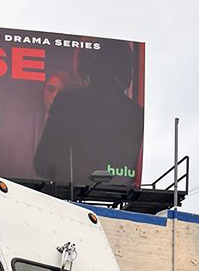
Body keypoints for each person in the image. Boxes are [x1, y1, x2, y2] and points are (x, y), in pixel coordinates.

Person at [34, 40, 143, 186]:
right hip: (117, 189)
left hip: (70, 191)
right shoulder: (137, 114)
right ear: (127, 69)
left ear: (87, 66)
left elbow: (42, 164)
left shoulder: (67, 101)